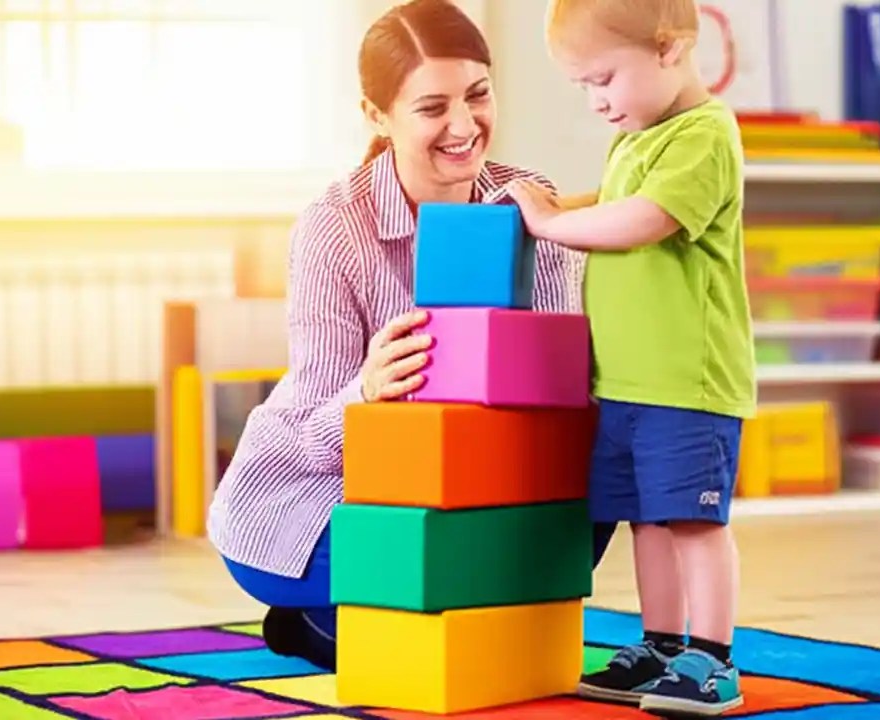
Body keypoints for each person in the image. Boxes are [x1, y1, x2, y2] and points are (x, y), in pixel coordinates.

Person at [206, 0, 612, 673]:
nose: (464, 125)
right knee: (428, 555)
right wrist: (365, 390)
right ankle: (344, 618)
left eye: (478, 96)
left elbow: (559, 385)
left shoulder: (527, 201)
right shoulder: (335, 228)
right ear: (376, 115)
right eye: (432, 108)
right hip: (323, 495)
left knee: (586, 499)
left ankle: (358, 627)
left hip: (490, 482)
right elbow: (308, 429)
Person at [504, 0, 755, 715]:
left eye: (604, 78)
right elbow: (618, 197)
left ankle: (713, 659)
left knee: (695, 523)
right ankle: (664, 644)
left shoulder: (706, 133)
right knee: (646, 519)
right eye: (584, 85)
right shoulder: (640, 139)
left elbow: (647, 218)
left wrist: (555, 225)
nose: (596, 99)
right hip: (625, 384)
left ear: (671, 48)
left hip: (688, 383)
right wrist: (553, 204)